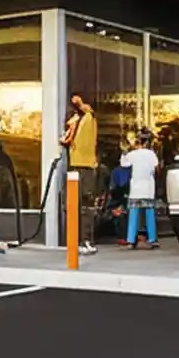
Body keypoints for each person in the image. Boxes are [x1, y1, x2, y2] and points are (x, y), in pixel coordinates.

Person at [60, 92, 99, 255]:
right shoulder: (75, 121)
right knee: (79, 204)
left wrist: (80, 103)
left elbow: (88, 112)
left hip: (84, 165)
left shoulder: (88, 119)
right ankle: (78, 240)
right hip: (79, 166)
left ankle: (84, 240)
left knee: (85, 204)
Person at [120, 127, 160, 249]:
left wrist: (124, 151)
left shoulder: (133, 154)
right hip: (148, 188)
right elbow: (156, 167)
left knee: (134, 214)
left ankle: (131, 240)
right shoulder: (151, 154)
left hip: (136, 188)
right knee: (149, 213)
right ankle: (152, 239)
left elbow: (123, 164)